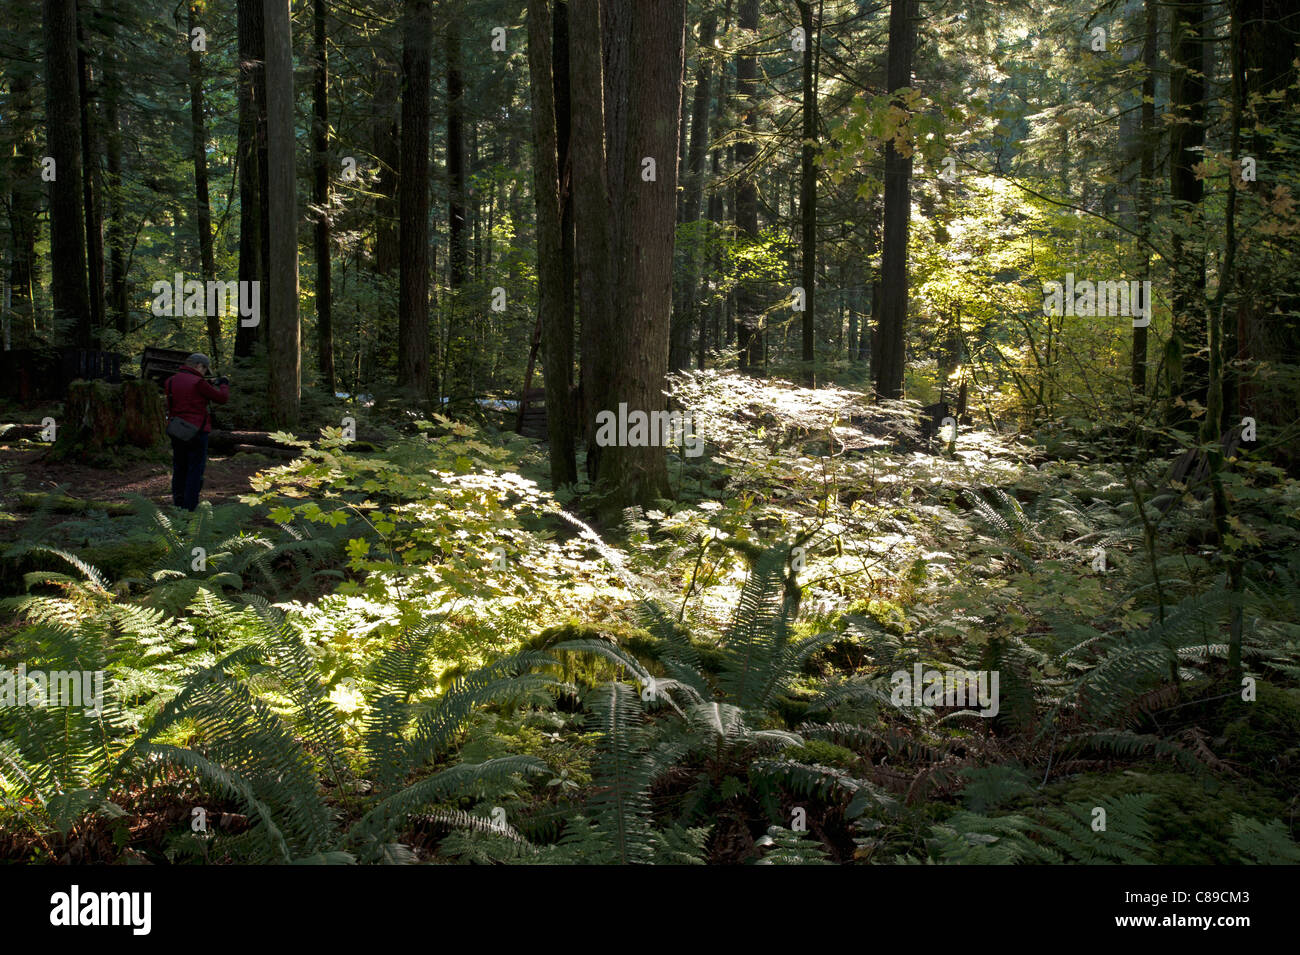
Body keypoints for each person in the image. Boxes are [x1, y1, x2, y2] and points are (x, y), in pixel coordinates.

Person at [165, 353, 230, 510]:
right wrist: (224, 384)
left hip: (177, 430)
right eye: (204, 369)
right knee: (195, 470)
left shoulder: (171, 381)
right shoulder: (199, 382)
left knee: (179, 468)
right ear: (199, 365)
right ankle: (190, 507)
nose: (204, 372)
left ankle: (178, 505)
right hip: (197, 431)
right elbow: (222, 398)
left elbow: (183, 396)